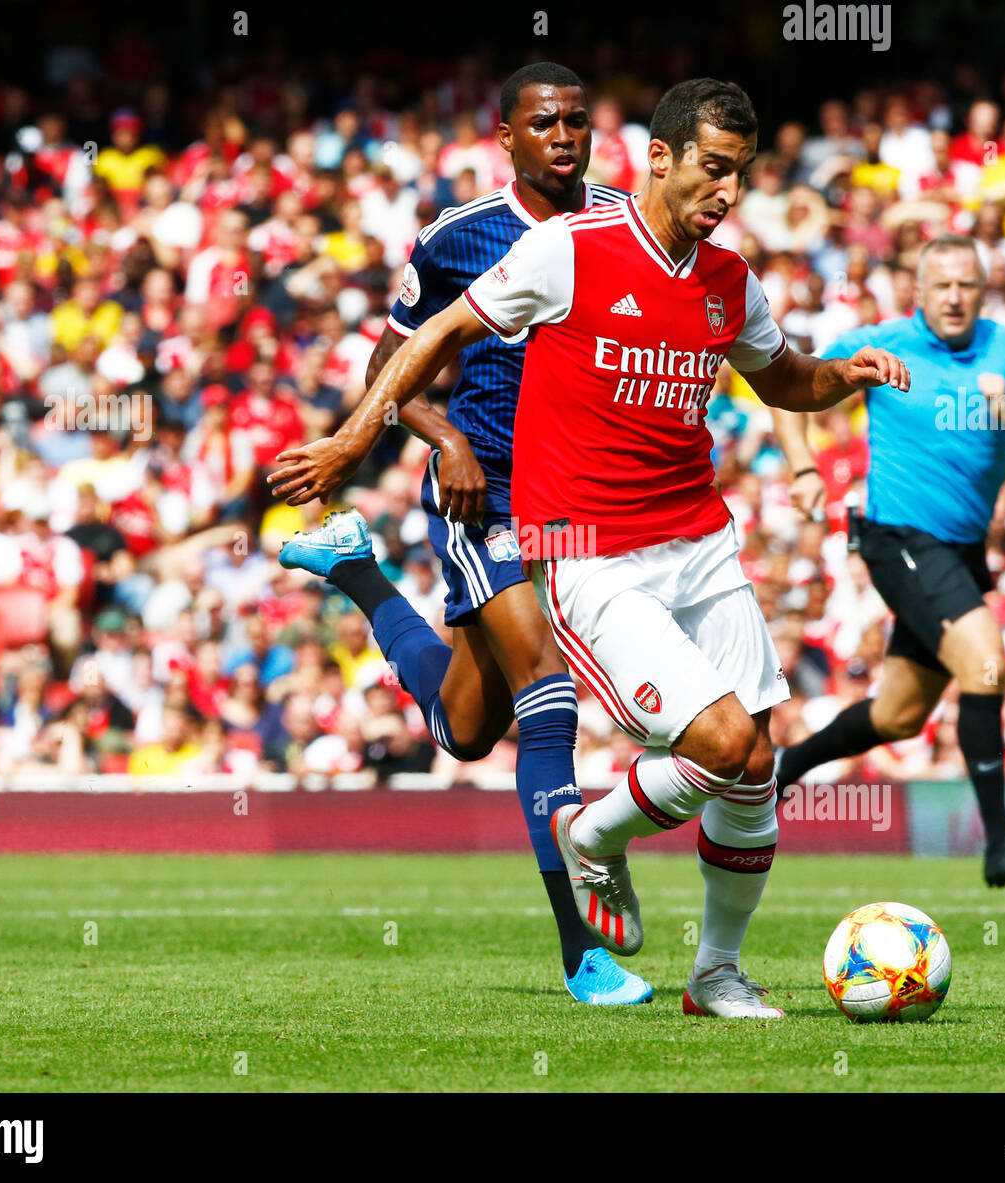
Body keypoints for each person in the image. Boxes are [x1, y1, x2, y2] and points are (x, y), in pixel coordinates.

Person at [269, 78, 909, 1019]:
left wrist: (846, 375)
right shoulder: (565, 251)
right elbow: (438, 331)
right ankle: (590, 841)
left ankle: (716, 974)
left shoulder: (731, 282)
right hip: (584, 549)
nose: (727, 194)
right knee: (707, 738)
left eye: (740, 176)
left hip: (699, 542)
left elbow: (786, 379)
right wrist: (353, 442)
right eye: (713, 170)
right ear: (660, 157)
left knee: (751, 758)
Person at [276, 63, 646, 1007]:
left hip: (584, 497)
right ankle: (584, 952)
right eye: (544, 123)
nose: (564, 136)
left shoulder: (621, 225)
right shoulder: (457, 236)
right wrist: (442, 438)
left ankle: (358, 572)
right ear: (507, 137)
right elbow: (383, 364)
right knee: (548, 695)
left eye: (577, 121)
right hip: (488, 491)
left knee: (465, 729)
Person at [773, 233, 1005, 887]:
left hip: (962, 553)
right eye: (941, 284)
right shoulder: (882, 343)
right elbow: (789, 388)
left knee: (897, 715)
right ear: (918, 291)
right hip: (898, 541)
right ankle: (1001, 842)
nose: (954, 296)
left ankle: (783, 769)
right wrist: (804, 467)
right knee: (986, 661)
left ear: (983, 289)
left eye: (966, 284)